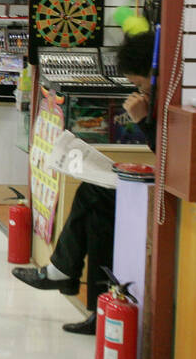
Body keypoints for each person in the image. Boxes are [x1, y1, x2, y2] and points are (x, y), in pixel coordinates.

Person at [11, 31, 158, 334]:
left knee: (95, 197)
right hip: (159, 187)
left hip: (173, 198)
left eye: (140, 85)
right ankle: (96, 307)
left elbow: (169, 150)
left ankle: (66, 274)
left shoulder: (171, 97)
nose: (139, 92)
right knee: (96, 202)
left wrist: (144, 121)